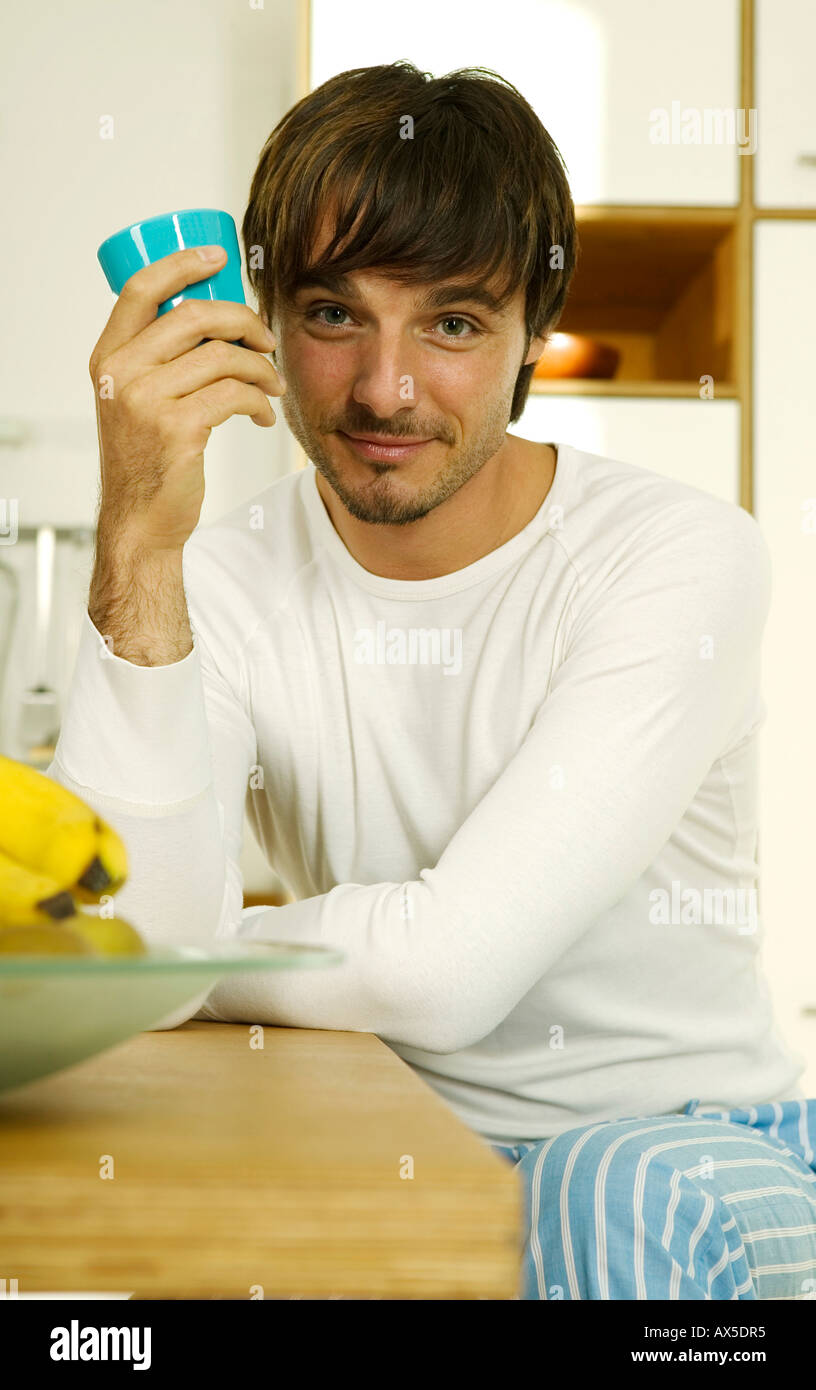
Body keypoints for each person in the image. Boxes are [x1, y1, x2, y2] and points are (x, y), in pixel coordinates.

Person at [53, 62, 816, 1300]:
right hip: (397, 1133)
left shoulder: (675, 555)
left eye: (453, 323)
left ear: (534, 332)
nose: (384, 390)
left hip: (706, 1156)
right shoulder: (226, 576)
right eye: (334, 314)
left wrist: (199, 953)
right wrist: (138, 537)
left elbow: (441, 972)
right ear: (263, 319)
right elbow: (119, 953)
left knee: (606, 1188)